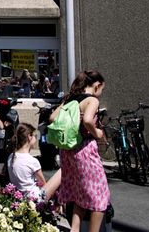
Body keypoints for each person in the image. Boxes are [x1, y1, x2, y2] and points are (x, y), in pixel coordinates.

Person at [50, 70, 110, 232]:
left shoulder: (70, 99)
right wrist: (97, 132)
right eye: (102, 89)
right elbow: (88, 120)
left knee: (79, 194)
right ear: (97, 85)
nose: (100, 93)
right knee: (101, 196)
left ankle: (74, 229)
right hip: (85, 150)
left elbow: (53, 118)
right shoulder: (92, 100)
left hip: (68, 151)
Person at [8, 122, 60, 201]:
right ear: (29, 137)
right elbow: (43, 184)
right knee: (61, 172)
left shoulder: (11, 156)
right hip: (34, 198)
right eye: (35, 136)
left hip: (18, 197)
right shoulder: (32, 161)